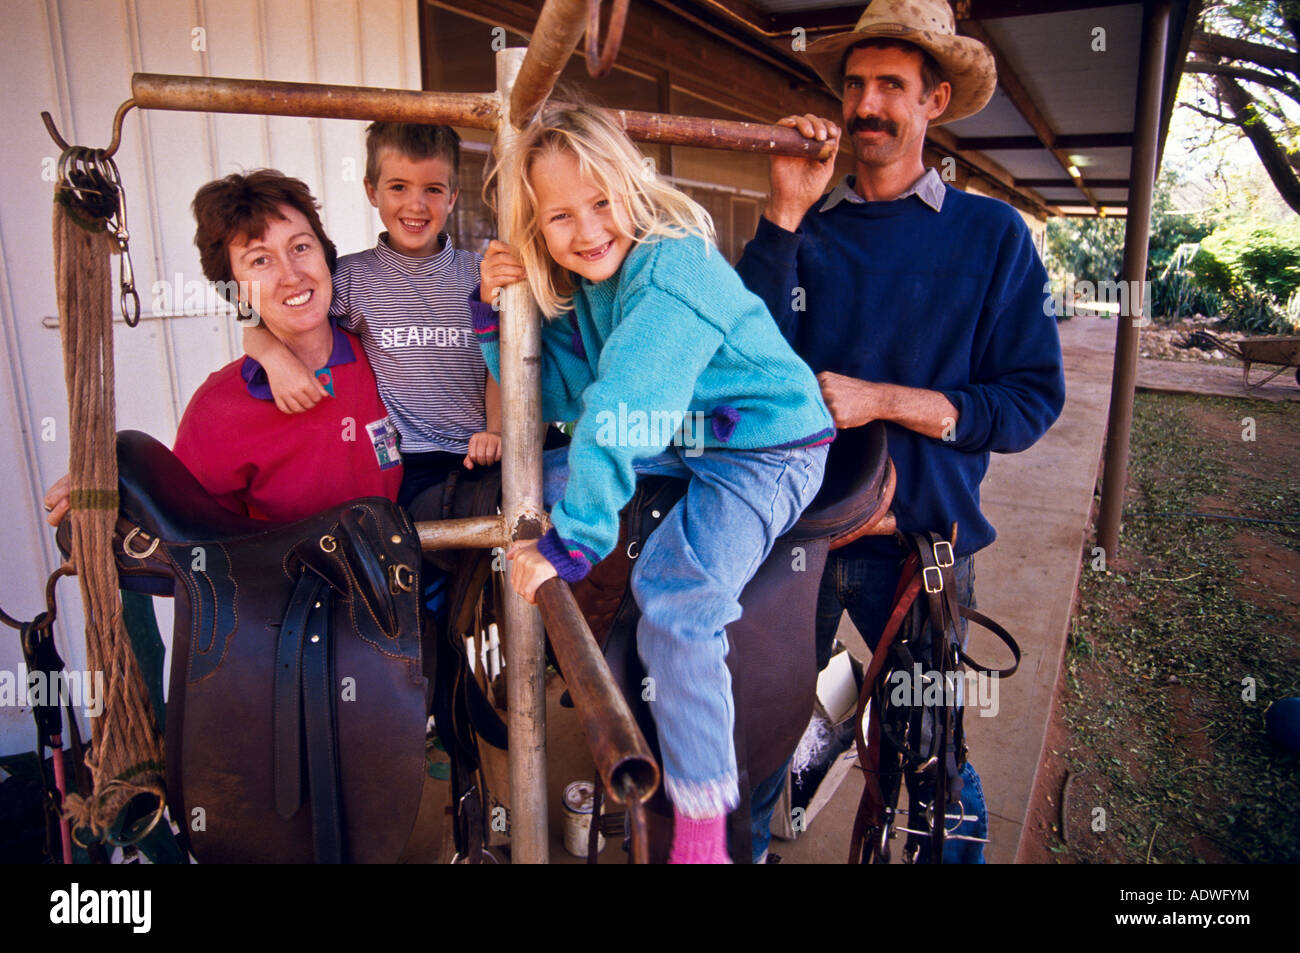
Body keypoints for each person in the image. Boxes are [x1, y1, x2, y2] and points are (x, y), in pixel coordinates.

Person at [735, 0, 1066, 862]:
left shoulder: (992, 236)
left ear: (936, 101)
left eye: (892, 85)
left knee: (932, 752)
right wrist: (782, 214)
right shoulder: (809, 234)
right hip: (797, 538)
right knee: (753, 739)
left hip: (920, 548)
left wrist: (884, 397)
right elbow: (742, 363)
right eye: (855, 84)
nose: (867, 104)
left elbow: (1028, 402)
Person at [474, 104, 835, 864]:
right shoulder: (597, 282)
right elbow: (569, 399)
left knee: (675, 599)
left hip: (763, 443)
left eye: (602, 200)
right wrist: (497, 314)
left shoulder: (671, 267)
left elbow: (623, 407)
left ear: (634, 184)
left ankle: (703, 821)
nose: (588, 227)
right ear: (538, 230)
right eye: (561, 216)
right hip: (690, 431)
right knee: (546, 474)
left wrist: (575, 540)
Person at [45, 169, 402, 525]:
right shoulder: (217, 409)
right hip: (294, 580)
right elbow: (179, 521)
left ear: (325, 255)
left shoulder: (387, 354)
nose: (291, 275)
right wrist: (122, 494)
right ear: (234, 287)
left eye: (301, 247)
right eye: (260, 259)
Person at [243, 123, 501, 508]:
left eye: (433, 189)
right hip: (410, 460)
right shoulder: (349, 278)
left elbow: (501, 360)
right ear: (371, 191)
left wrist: (496, 430)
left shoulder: (480, 274)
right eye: (398, 187)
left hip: (487, 449)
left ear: (452, 198)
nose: (416, 205)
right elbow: (260, 323)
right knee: (423, 552)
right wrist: (275, 359)